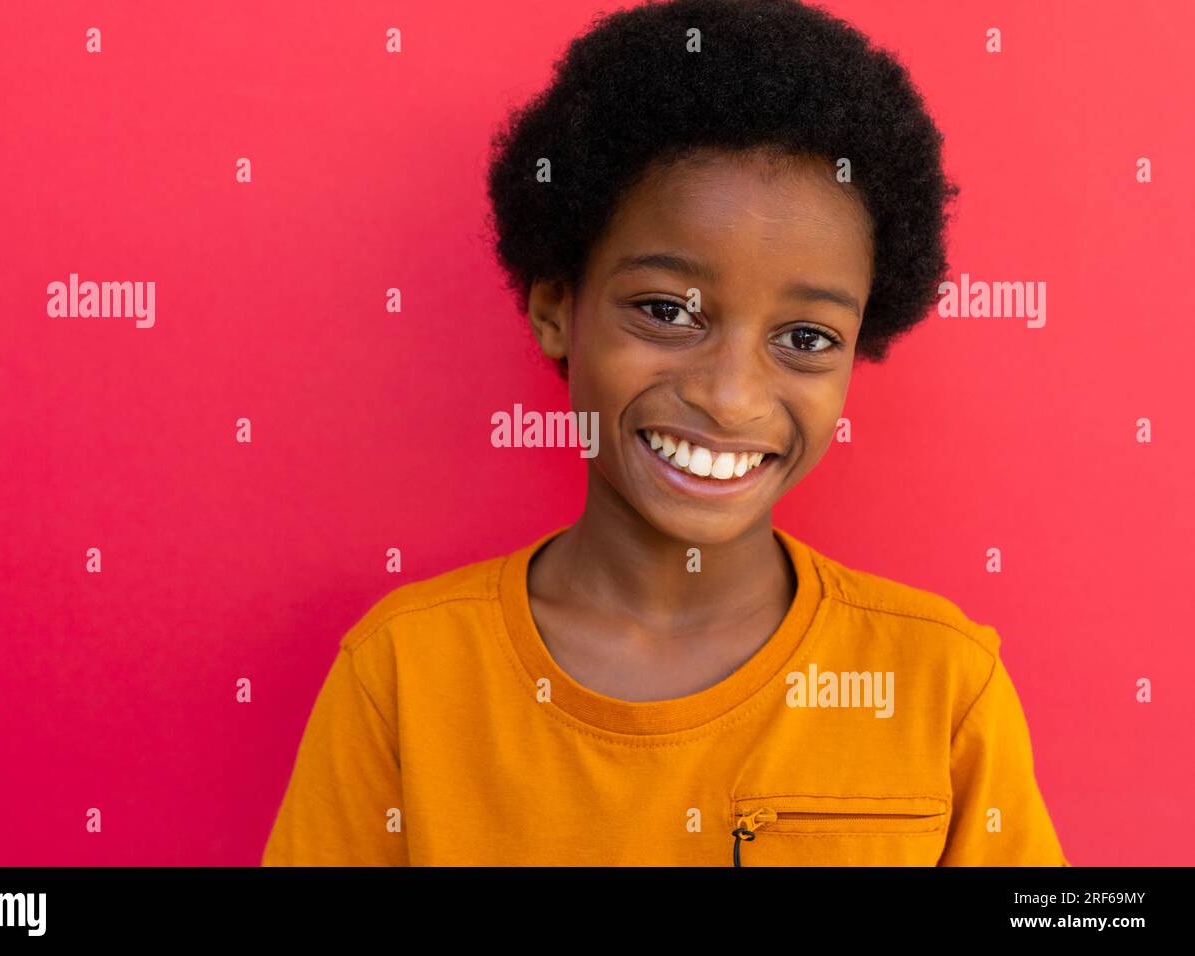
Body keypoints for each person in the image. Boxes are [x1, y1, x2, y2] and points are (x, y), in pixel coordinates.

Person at [262, 0, 1068, 866]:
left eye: (806, 338)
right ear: (555, 311)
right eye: (665, 311)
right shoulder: (405, 675)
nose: (729, 397)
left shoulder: (941, 685)